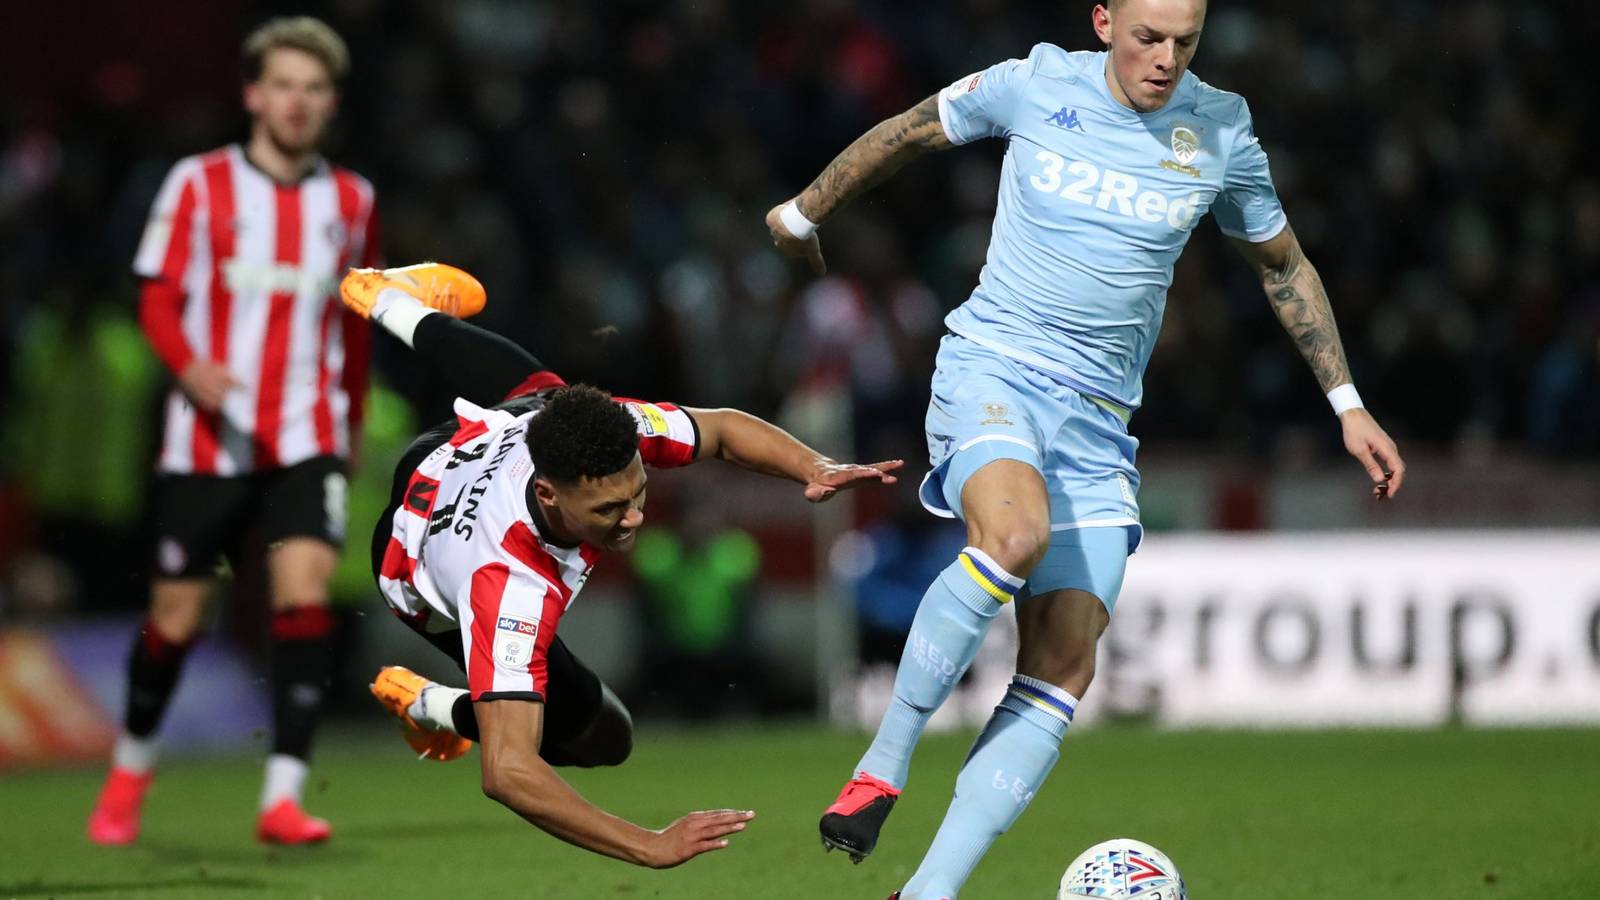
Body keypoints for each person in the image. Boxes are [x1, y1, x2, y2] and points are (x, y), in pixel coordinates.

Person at [764, 1, 1407, 897]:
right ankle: (882, 765)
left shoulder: (1219, 128)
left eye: (1185, 42)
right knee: (1013, 536)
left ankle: (929, 891)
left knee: (1066, 659)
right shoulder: (1034, 83)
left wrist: (1348, 403)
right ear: (1104, 22)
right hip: (996, 370)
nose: (1166, 59)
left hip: (1100, 421)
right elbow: (912, 130)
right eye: (1148, 38)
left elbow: (1284, 265)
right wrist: (803, 213)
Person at [345, 262, 902, 868]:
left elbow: (719, 429)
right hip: (412, 567)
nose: (634, 518)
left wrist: (814, 466)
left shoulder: (617, 431)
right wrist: (649, 844)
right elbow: (507, 772)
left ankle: (389, 301)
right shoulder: (509, 589)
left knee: (550, 394)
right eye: (610, 509)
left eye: (638, 493)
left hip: (470, 452)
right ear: (549, 495)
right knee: (593, 737)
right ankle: (431, 706)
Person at [88, 16, 380, 846]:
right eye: (283, 85)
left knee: (304, 594)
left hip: (307, 433)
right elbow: (156, 295)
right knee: (176, 619)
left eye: (313, 88)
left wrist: (352, 422)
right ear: (253, 94)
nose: (297, 102)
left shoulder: (352, 200)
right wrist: (189, 366)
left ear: (331, 103)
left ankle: (282, 797)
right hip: (208, 438)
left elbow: (355, 323)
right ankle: (130, 769)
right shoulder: (197, 183)